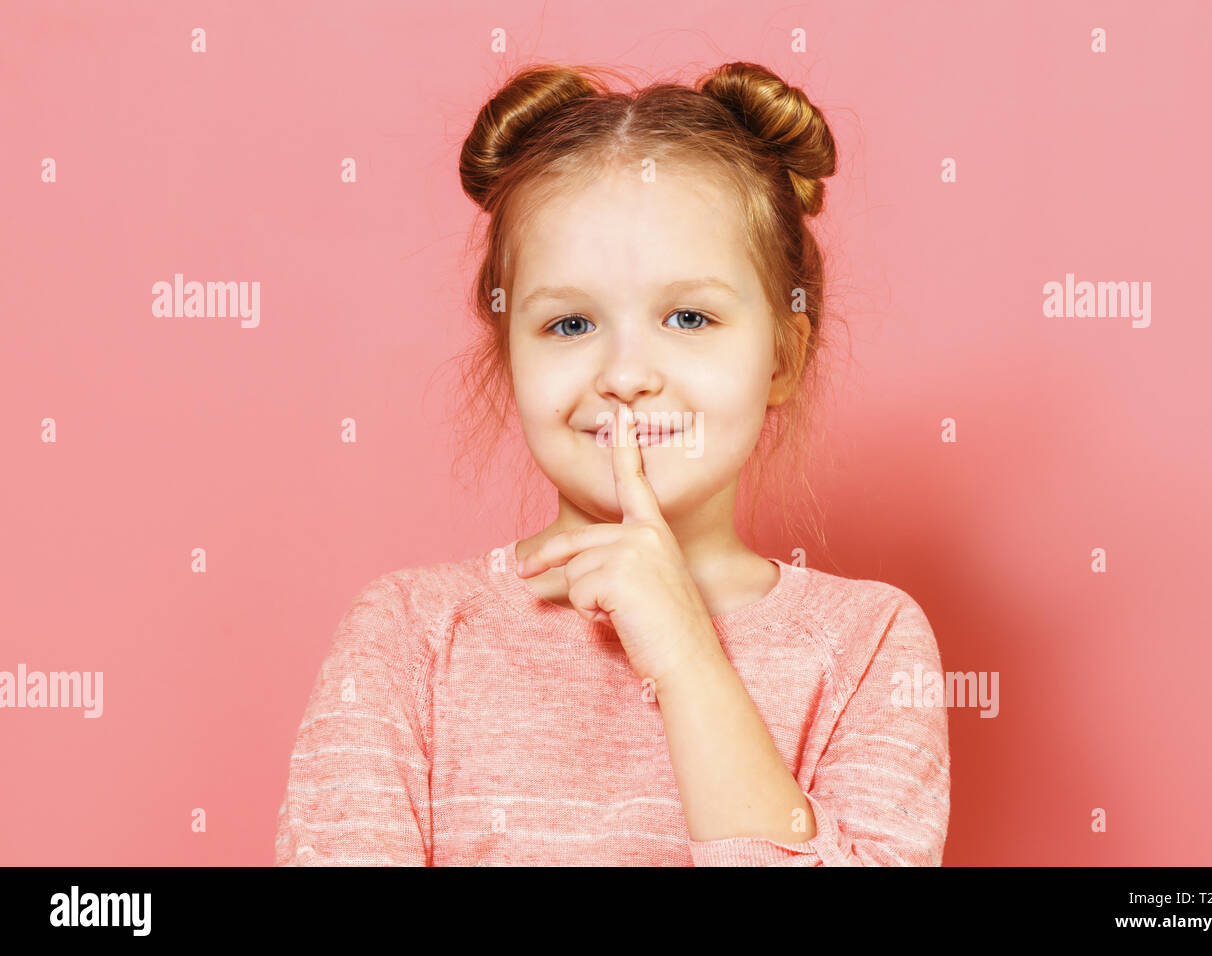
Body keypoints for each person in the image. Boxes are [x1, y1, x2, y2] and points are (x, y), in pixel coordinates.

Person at [275, 61, 949, 866]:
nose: (625, 375)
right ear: (508, 353)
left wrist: (686, 655)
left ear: (782, 358)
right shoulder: (412, 635)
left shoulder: (868, 644)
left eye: (689, 316)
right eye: (568, 325)